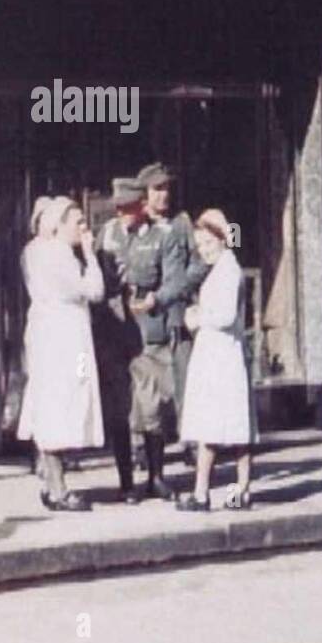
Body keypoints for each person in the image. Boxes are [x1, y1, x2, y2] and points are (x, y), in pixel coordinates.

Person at [16, 196, 105, 511]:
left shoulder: (33, 252)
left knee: (49, 403)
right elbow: (94, 290)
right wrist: (90, 255)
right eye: (77, 222)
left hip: (46, 334)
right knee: (60, 406)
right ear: (59, 224)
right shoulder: (59, 254)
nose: (83, 228)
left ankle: (51, 482)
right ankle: (58, 489)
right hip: (64, 338)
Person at [174, 210, 255, 511]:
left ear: (222, 239)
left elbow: (225, 316)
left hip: (224, 355)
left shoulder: (229, 270)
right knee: (220, 426)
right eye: (201, 245)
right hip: (214, 354)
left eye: (209, 242)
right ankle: (215, 491)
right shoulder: (219, 269)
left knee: (229, 426)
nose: (204, 249)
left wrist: (198, 318)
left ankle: (222, 491)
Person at [124, 162, 190, 499]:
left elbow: (177, 278)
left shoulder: (175, 229)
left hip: (155, 330)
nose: (163, 195)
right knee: (130, 405)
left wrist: (156, 300)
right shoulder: (125, 231)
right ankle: (130, 480)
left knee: (156, 404)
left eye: (166, 189)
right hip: (123, 333)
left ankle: (156, 475)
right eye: (156, 189)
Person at [92, 178, 145, 503]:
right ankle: (127, 481)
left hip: (142, 329)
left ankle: (152, 472)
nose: (125, 214)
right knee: (119, 410)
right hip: (112, 332)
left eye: (131, 207)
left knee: (146, 404)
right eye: (121, 208)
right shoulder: (106, 235)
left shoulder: (153, 233)